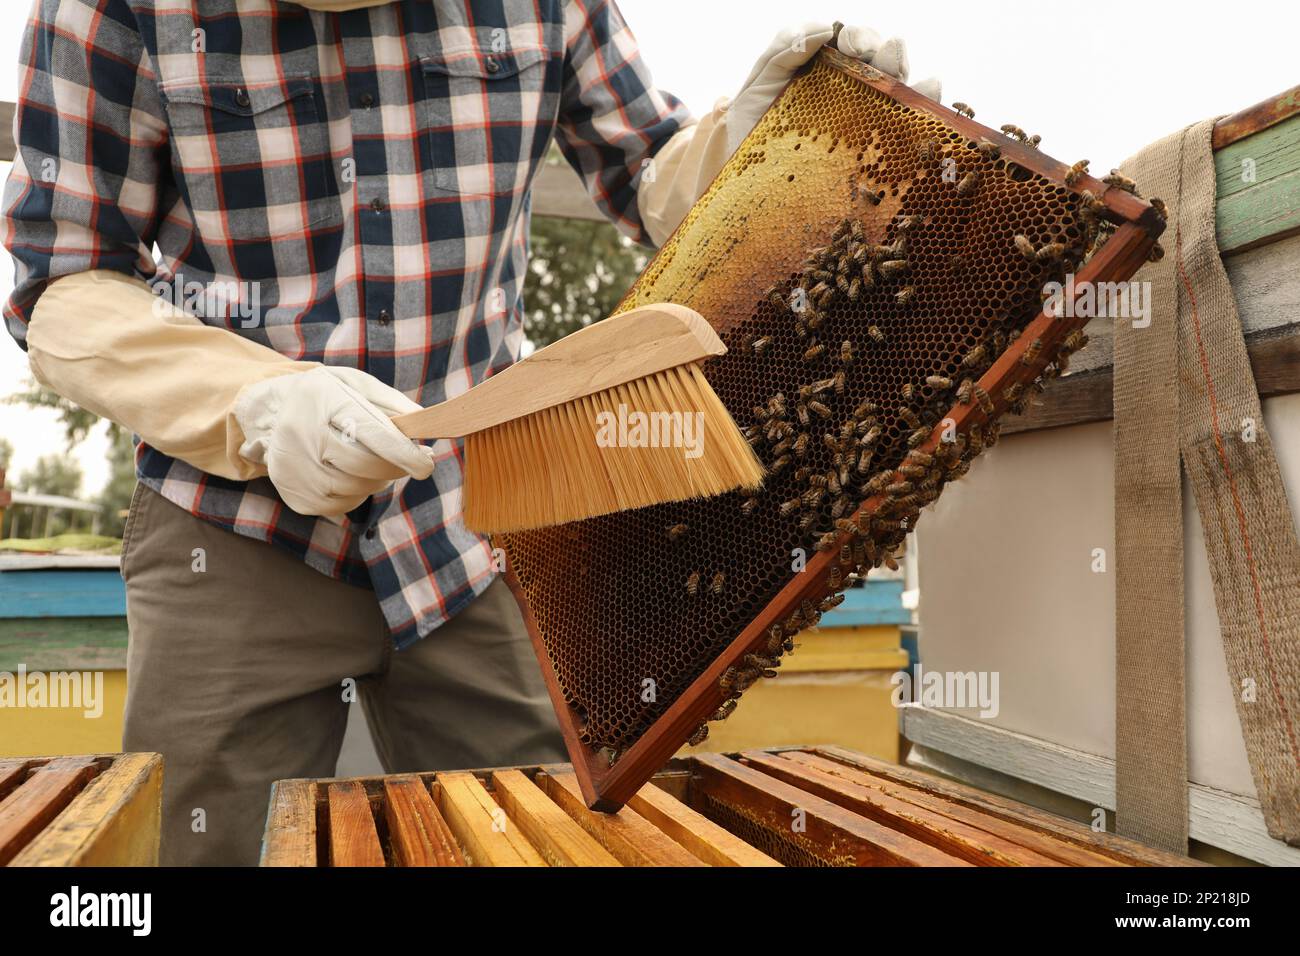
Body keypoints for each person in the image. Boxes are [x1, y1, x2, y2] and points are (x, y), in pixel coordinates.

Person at [2, 0, 935, 865]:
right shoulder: (110, 9)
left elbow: (648, 175)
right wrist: (252, 401)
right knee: (198, 845)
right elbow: (63, 284)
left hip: (471, 527)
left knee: (537, 834)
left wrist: (763, 139)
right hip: (231, 526)